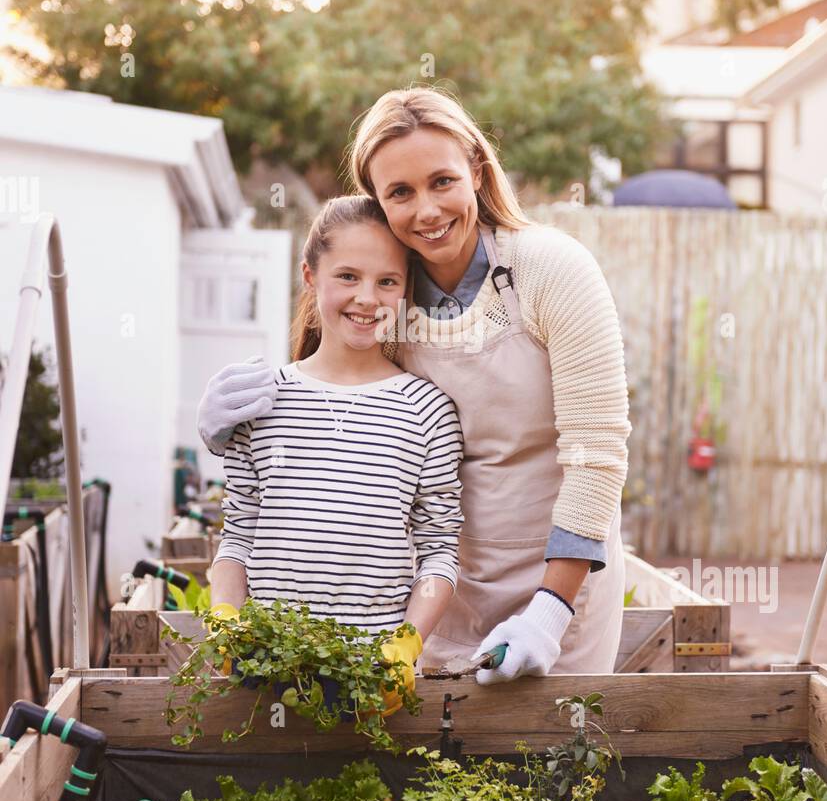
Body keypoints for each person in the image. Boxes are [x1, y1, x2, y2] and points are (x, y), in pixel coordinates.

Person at [199, 87, 630, 683]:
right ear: (375, 201)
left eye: (442, 181)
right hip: (444, 582)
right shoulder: (387, 298)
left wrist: (549, 615)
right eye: (399, 192)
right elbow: (343, 409)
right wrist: (232, 427)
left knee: (552, 763)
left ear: (477, 172)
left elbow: (597, 453)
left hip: (563, 575)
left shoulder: (553, 269)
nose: (426, 210)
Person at [208, 194, 464, 711]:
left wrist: (408, 643)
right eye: (347, 276)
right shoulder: (262, 399)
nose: (367, 298)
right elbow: (238, 534)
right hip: (265, 673)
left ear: (405, 291)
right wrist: (226, 618)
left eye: (387, 282)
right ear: (310, 276)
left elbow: (439, 549)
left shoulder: (427, 410)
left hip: (370, 678)